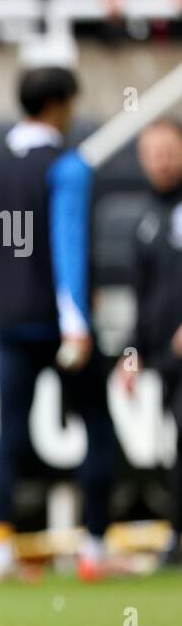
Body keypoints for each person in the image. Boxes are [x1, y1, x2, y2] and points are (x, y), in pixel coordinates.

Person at [0, 67, 120, 585]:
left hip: (9, 319)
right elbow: (67, 245)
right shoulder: (69, 166)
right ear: (60, 104)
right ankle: (94, 548)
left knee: (9, 434)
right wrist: (76, 321)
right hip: (59, 325)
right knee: (98, 430)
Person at [116, 117, 182, 564]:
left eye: (169, 151)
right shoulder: (145, 219)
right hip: (165, 357)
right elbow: (142, 300)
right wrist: (132, 355)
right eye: (152, 153)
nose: (161, 161)